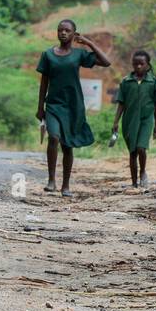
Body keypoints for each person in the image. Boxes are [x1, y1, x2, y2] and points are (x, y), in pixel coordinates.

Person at [35, 19, 111, 197]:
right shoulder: (48, 55)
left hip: (73, 106)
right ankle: (51, 180)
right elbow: (44, 82)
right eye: (60, 30)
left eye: (67, 30)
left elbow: (106, 62)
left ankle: (66, 186)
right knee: (53, 137)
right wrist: (40, 107)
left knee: (67, 146)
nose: (63, 33)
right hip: (53, 104)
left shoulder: (79, 55)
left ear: (74, 34)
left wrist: (89, 42)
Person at [111, 50, 156, 188]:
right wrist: (116, 122)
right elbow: (121, 103)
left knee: (141, 148)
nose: (138, 66)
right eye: (135, 64)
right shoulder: (126, 82)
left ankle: (143, 172)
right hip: (129, 121)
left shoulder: (154, 82)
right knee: (133, 152)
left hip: (146, 120)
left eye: (142, 64)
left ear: (147, 65)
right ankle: (134, 182)